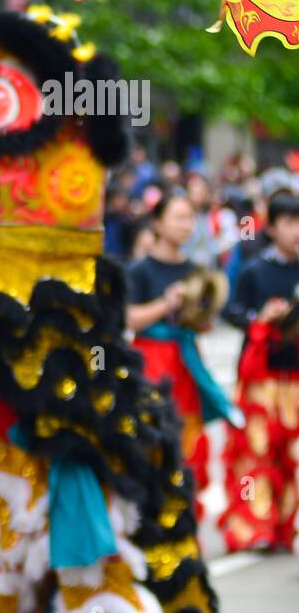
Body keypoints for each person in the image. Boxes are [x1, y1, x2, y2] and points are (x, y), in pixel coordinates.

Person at [127, 189, 241, 518]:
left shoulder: (195, 268)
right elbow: (129, 318)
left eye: (190, 218)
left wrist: (199, 312)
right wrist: (166, 303)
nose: (186, 225)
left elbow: (203, 325)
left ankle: (184, 512)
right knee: (153, 434)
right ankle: (152, 513)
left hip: (185, 362)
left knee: (188, 438)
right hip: (152, 361)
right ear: (157, 223)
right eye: (178, 217)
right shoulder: (140, 270)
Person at [221, 188, 299, 551]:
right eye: (289, 223)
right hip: (260, 378)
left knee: (293, 456)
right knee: (257, 452)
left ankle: (286, 527)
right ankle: (256, 527)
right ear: (271, 228)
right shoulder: (255, 270)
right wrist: (260, 318)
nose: (296, 230)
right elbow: (231, 311)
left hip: (295, 374)